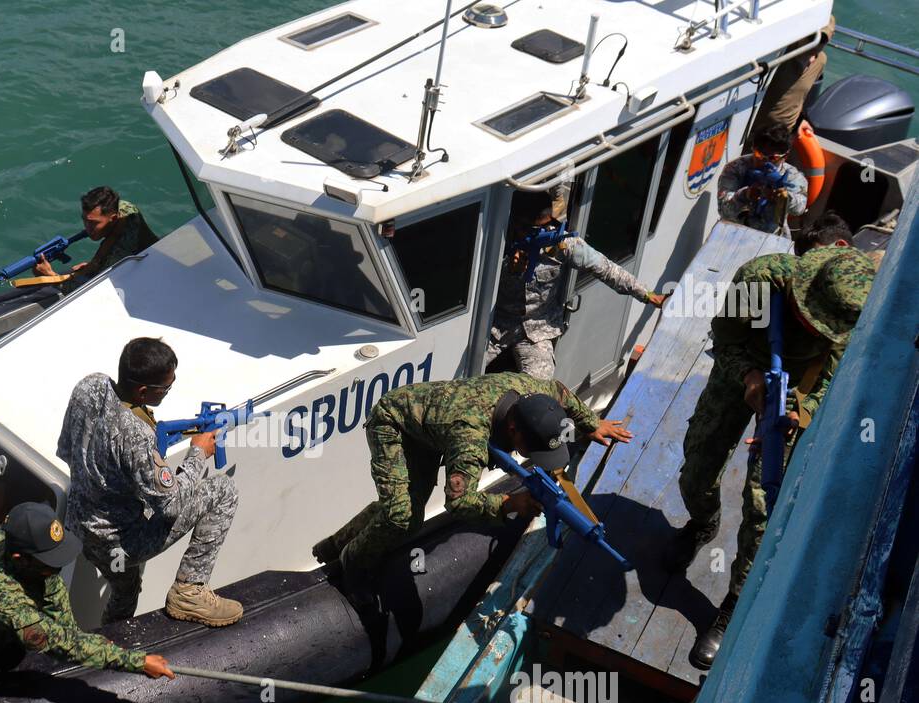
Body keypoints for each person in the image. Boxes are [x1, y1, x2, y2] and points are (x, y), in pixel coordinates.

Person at [664, 243, 876, 668]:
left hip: (792, 392)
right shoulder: (759, 280)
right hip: (742, 368)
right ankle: (703, 523)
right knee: (698, 463)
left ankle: (733, 604)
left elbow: (830, 379)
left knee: (763, 504)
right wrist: (748, 376)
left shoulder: (854, 316)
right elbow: (724, 340)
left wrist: (801, 412)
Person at [313, 373, 634, 590]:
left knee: (403, 505)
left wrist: (591, 424)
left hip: (434, 426)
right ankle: (352, 566)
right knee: (403, 517)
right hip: (397, 425)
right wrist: (508, 502)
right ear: (513, 431)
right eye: (531, 448)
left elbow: (560, 391)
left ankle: (333, 543)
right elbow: (458, 501)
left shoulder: (537, 394)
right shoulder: (470, 437)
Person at [56, 338, 242, 627]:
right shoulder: (136, 437)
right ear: (143, 391)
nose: (169, 390)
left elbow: (66, 449)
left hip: (80, 528)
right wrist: (197, 454)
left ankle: (111, 638)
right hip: (120, 542)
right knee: (223, 491)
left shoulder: (88, 387)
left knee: (126, 589)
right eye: (165, 388)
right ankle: (189, 591)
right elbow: (170, 504)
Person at [0, 500, 173, 678]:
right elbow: (61, 643)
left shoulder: (14, 536)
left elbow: (53, 589)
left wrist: (83, 640)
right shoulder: (0, 597)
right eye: (49, 562)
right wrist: (135, 661)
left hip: (13, 622)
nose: (58, 567)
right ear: (20, 559)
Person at [489, 185, 667, 378]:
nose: (543, 232)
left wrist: (648, 295)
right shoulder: (497, 242)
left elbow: (607, 270)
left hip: (537, 330)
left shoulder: (561, 244)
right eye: (532, 229)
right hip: (497, 325)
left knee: (540, 384)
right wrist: (509, 269)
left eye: (545, 225)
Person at [33, 185, 158, 291]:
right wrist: (95, 263)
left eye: (94, 223)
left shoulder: (121, 249)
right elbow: (110, 240)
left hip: (146, 273)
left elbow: (87, 292)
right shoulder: (124, 207)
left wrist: (50, 277)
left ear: (113, 218)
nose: (87, 228)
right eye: (85, 220)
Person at [747, 17, 836, 143]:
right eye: (811, 37)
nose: (815, 42)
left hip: (783, 135)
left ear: (831, 37)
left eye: (821, 39)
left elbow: (800, 97)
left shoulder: (820, 61)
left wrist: (800, 120)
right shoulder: (780, 53)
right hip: (755, 132)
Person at [717, 124, 809, 236]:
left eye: (772, 158)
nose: (765, 162)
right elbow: (724, 211)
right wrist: (744, 195)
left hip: (771, 236)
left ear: (785, 156)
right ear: (753, 148)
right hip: (733, 232)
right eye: (759, 155)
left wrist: (784, 196)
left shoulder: (792, 176)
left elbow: (799, 209)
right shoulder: (735, 168)